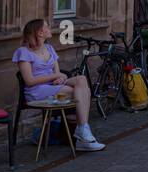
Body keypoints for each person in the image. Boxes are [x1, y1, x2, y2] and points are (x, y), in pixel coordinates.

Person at [13, 19, 104, 151]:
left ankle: (82, 130)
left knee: (82, 80)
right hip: (37, 91)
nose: (50, 28)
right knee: (82, 92)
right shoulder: (24, 52)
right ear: (39, 33)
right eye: (47, 27)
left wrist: (62, 78)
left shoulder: (49, 48)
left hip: (53, 86)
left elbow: (58, 73)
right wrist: (56, 76)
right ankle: (83, 133)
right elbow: (29, 81)